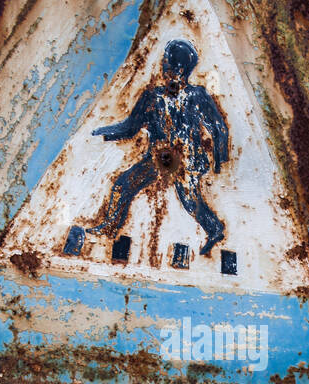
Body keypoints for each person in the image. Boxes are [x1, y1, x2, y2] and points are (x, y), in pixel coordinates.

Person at [80, 39, 230, 257]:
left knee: (191, 202)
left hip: (187, 160)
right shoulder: (153, 95)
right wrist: (103, 133)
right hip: (158, 158)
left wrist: (219, 161)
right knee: (124, 184)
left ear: (180, 68)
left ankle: (215, 229)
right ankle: (110, 226)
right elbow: (130, 127)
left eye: (168, 63)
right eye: (165, 63)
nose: (164, 67)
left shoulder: (196, 95)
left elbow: (219, 128)